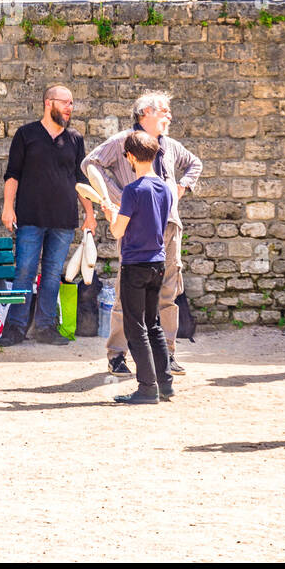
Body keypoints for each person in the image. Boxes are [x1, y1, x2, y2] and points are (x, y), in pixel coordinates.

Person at [84, 92, 202, 379]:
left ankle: (167, 354)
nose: (170, 116)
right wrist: (120, 197)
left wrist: (181, 187)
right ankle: (117, 356)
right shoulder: (123, 142)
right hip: (136, 225)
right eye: (164, 110)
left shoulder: (170, 145)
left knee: (168, 290)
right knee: (129, 290)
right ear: (144, 113)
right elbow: (91, 164)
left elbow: (195, 164)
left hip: (169, 225)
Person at [2, 84, 94, 346]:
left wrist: (90, 214)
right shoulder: (26, 134)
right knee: (25, 272)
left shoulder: (75, 139)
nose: (69, 108)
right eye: (65, 102)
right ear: (48, 103)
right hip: (30, 216)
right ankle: (15, 327)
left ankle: (45, 327)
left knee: (53, 274)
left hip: (63, 220)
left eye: (72, 103)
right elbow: (13, 174)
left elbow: (80, 179)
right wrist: (8, 207)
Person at [101, 132, 174, 405]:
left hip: (135, 264)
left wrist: (111, 215)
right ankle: (165, 384)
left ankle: (146, 388)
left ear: (130, 156)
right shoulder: (165, 188)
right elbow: (153, 221)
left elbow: (118, 231)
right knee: (154, 324)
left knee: (135, 327)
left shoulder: (132, 190)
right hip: (158, 262)